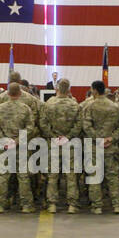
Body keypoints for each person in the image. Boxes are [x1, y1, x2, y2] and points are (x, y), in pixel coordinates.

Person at [80, 80, 119, 215]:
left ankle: (97, 206)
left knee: (94, 177)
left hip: (95, 147)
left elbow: (86, 126)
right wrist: (112, 138)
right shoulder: (114, 106)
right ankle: (117, 205)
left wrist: (97, 139)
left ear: (94, 91)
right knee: (112, 177)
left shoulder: (89, 106)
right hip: (110, 147)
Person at [0, 82, 37, 214]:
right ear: (20, 93)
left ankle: (0, 205)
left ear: (8, 94)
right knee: (23, 177)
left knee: (3, 177)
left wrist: (4, 140)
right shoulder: (25, 108)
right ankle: (26, 205)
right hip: (21, 147)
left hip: (4, 147)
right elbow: (30, 127)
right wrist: (17, 141)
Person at [39, 79, 81, 213]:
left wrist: (53, 137)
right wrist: (68, 137)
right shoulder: (75, 105)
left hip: (53, 144)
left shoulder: (48, 104)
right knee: (71, 175)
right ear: (69, 89)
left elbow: (43, 124)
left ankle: (52, 204)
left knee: (53, 174)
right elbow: (79, 125)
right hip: (70, 144)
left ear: (56, 89)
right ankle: (72, 205)